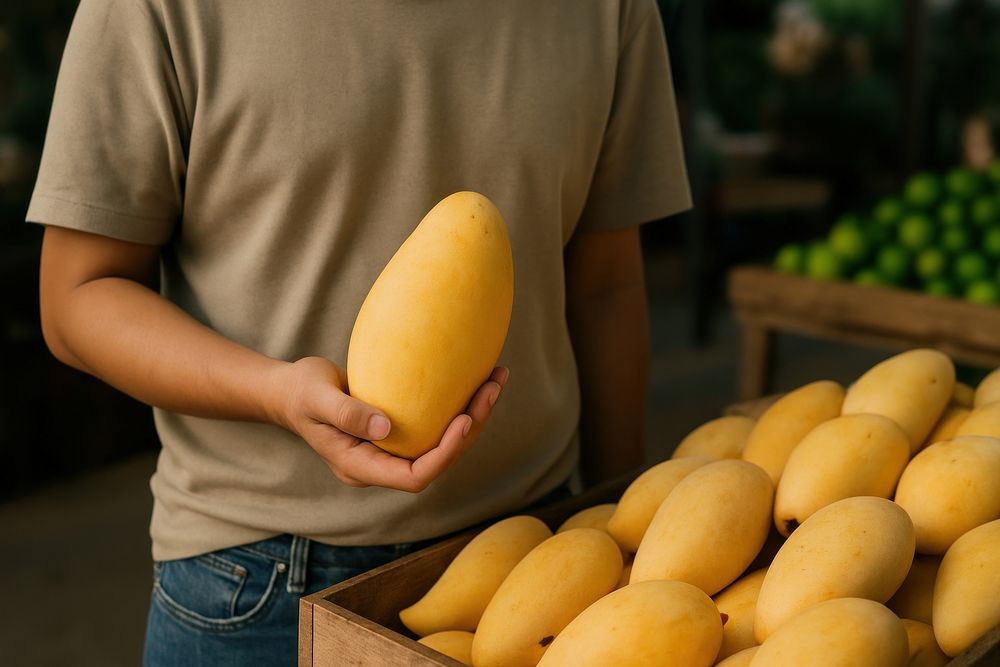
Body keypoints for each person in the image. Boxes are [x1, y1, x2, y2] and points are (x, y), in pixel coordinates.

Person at [29, 1, 690, 665]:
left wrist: (624, 527)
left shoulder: (609, 10)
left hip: (533, 558)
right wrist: (273, 391)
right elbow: (77, 294)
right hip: (258, 578)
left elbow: (606, 286)